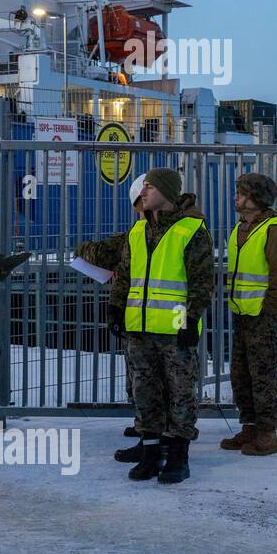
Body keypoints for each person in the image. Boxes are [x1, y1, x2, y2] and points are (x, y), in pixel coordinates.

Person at [108, 168, 215, 484]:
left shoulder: (191, 231)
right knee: (146, 394)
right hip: (139, 331)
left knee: (180, 395)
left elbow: (201, 281)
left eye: (151, 187)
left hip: (173, 331)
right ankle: (151, 456)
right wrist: (115, 309)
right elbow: (125, 275)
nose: (144, 192)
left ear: (167, 193)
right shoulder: (137, 232)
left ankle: (178, 460)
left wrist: (188, 321)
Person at [219, 173, 277, 456]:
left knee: (263, 377)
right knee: (241, 375)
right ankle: (250, 427)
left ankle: (267, 434)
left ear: (258, 198)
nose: (236, 197)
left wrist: (268, 311)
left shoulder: (276, 232)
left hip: (262, 319)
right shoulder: (240, 229)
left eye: (242, 193)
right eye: (237, 192)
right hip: (242, 315)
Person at [75, 174, 148, 459]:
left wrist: (81, 247)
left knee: (143, 377)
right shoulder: (168, 232)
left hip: (143, 314)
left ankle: (149, 429)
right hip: (148, 314)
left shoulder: (135, 236)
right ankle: (147, 425)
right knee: (145, 376)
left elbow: (101, 253)